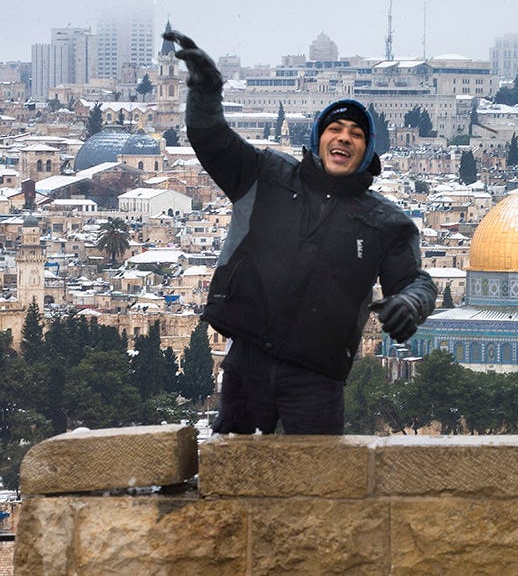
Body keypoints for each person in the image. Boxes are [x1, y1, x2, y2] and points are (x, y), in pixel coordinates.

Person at [163, 30, 437, 435]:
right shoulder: (265, 175)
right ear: (318, 137)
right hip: (247, 363)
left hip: (317, 379)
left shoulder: (386, 223)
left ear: (367, 152)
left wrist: (411, 303)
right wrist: (206, 91)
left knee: (316, 486)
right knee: (234, 476)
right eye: (335, 128)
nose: (344, 137)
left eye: (357, 134)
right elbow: (210, 137)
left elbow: (416, 282)